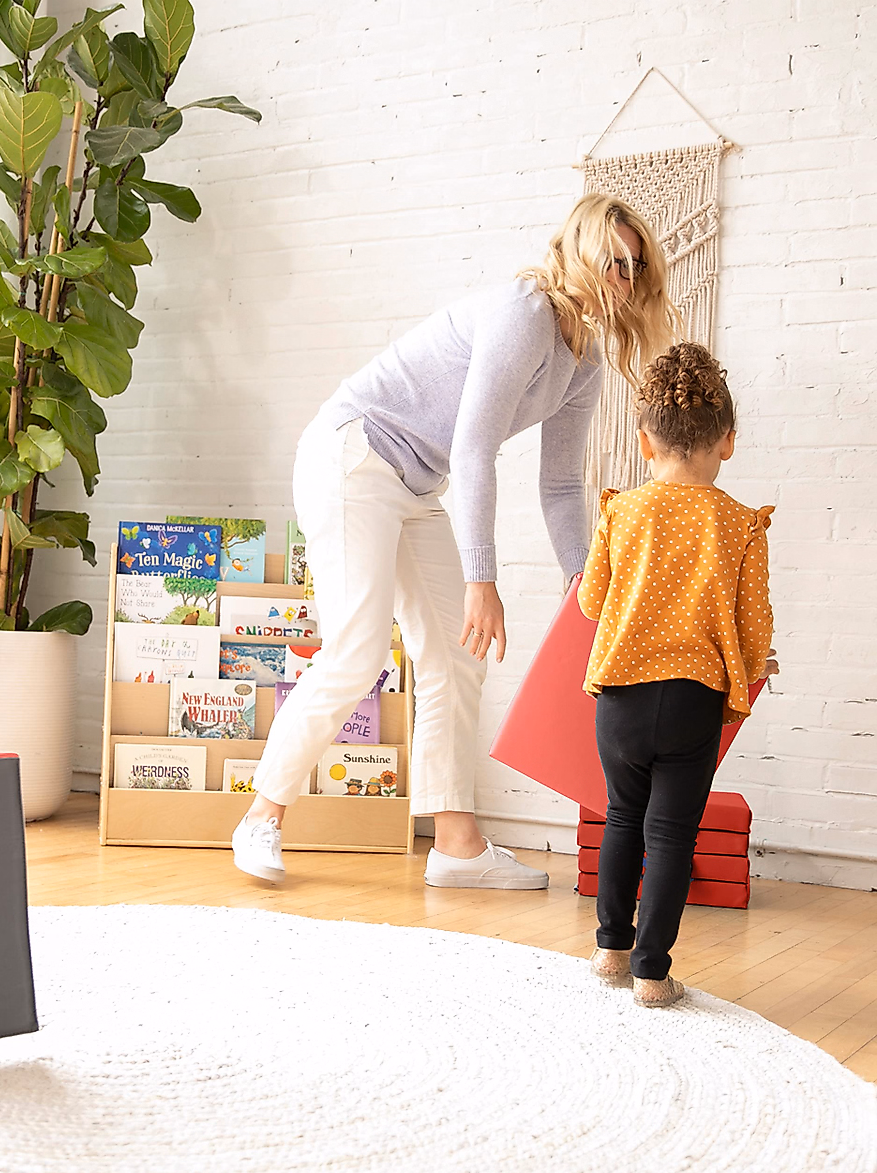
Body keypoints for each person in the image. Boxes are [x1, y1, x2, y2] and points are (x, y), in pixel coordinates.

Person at [231, 194, 679, 886]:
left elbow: (562, 484)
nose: (624, 278)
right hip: (354, 455)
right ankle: (261, 816)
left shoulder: (585, 359)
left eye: (635, 267)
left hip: (413, 483)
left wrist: (584, 586)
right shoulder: (524, 312)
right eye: (613, 261)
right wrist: (481, 579)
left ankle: (456, 846)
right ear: (579, 253)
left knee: (457, 655)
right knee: (357, 651)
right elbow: (473, 448)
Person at [580, 342, 777, 1007]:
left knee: (621, 818)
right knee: (670, 835)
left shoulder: (620, 512)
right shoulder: (740, 524)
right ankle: (651, 975)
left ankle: (610, 949)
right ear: (727, 442)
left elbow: (590, 603)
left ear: (644, 442)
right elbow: (753, 625)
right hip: (692, 702)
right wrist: (756, 665)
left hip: (620, 699)